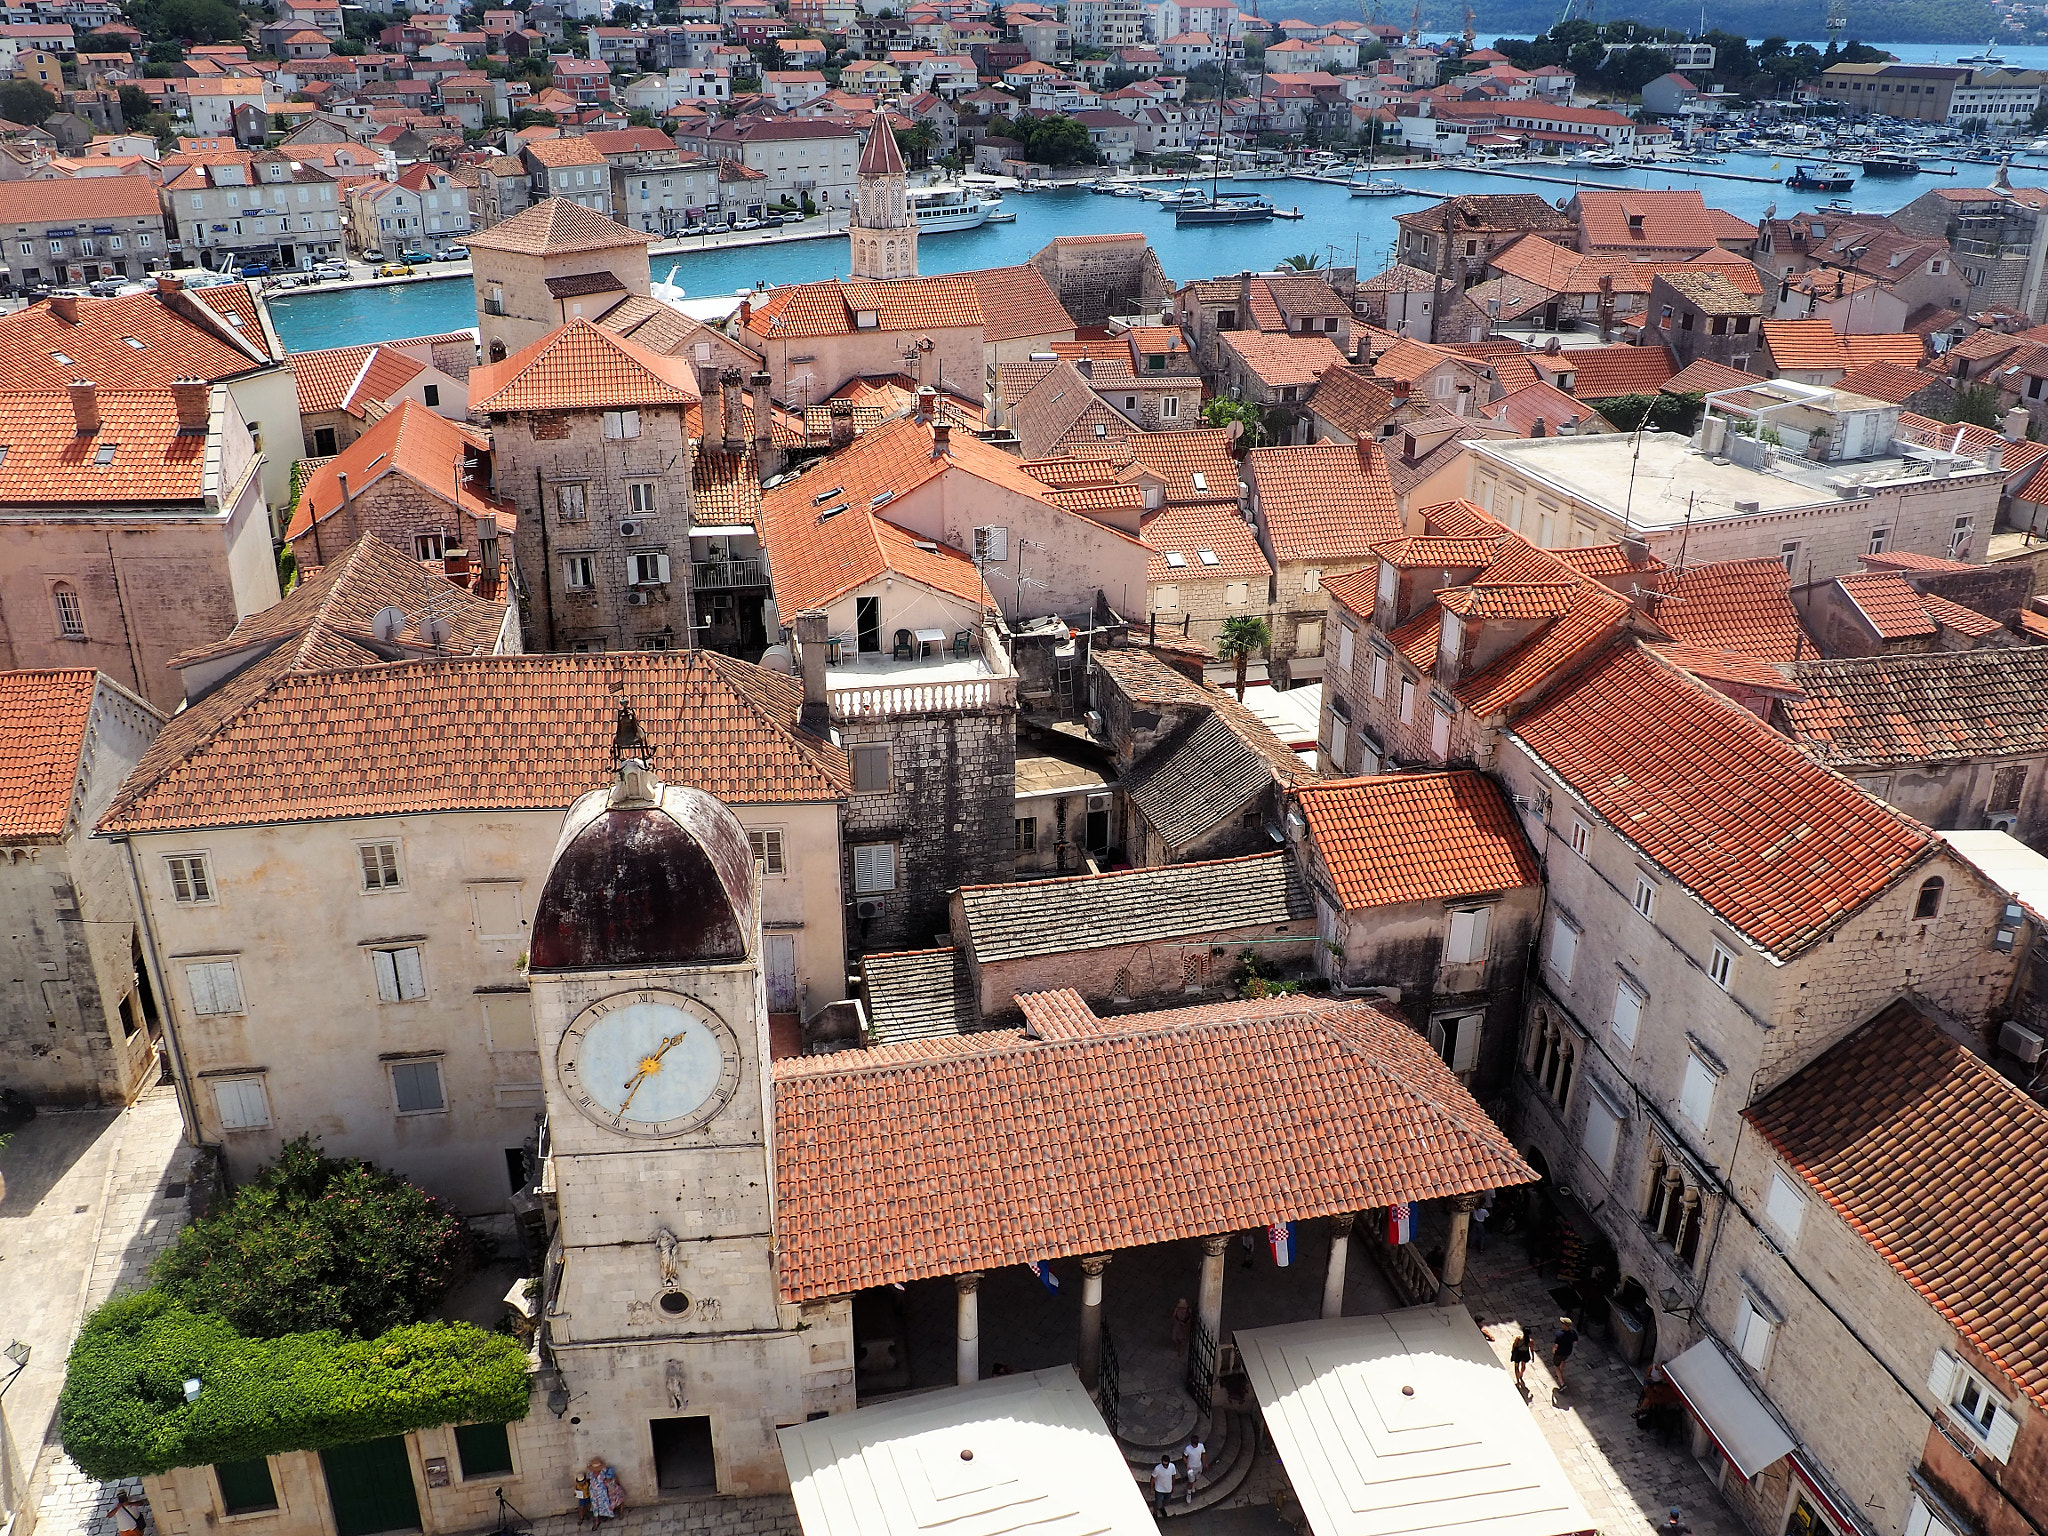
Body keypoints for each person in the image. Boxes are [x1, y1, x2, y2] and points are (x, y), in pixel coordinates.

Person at [587, 1460, 626, 1525]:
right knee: (595, 1505)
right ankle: (596, 1521)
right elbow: (588, 1479)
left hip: (602, 1491)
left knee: (605, 1504)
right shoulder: (590, 1473)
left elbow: (610, 1476)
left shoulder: (603, 1471)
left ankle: (607, 1515)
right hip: (593, 1491)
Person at [1550, 1315, 1578, 1388]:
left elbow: (1556, 1346)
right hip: (1568, 1352)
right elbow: (1576, 1342)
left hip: (1559, 1353)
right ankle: (1560, 1373)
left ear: (1564, 1325)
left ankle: (1562, 1384)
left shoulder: (1560, 1334)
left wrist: (1553, 1351)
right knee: (1563, 1361)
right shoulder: (1573, 1333)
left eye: (1562, 1323)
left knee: (1556, 1366)